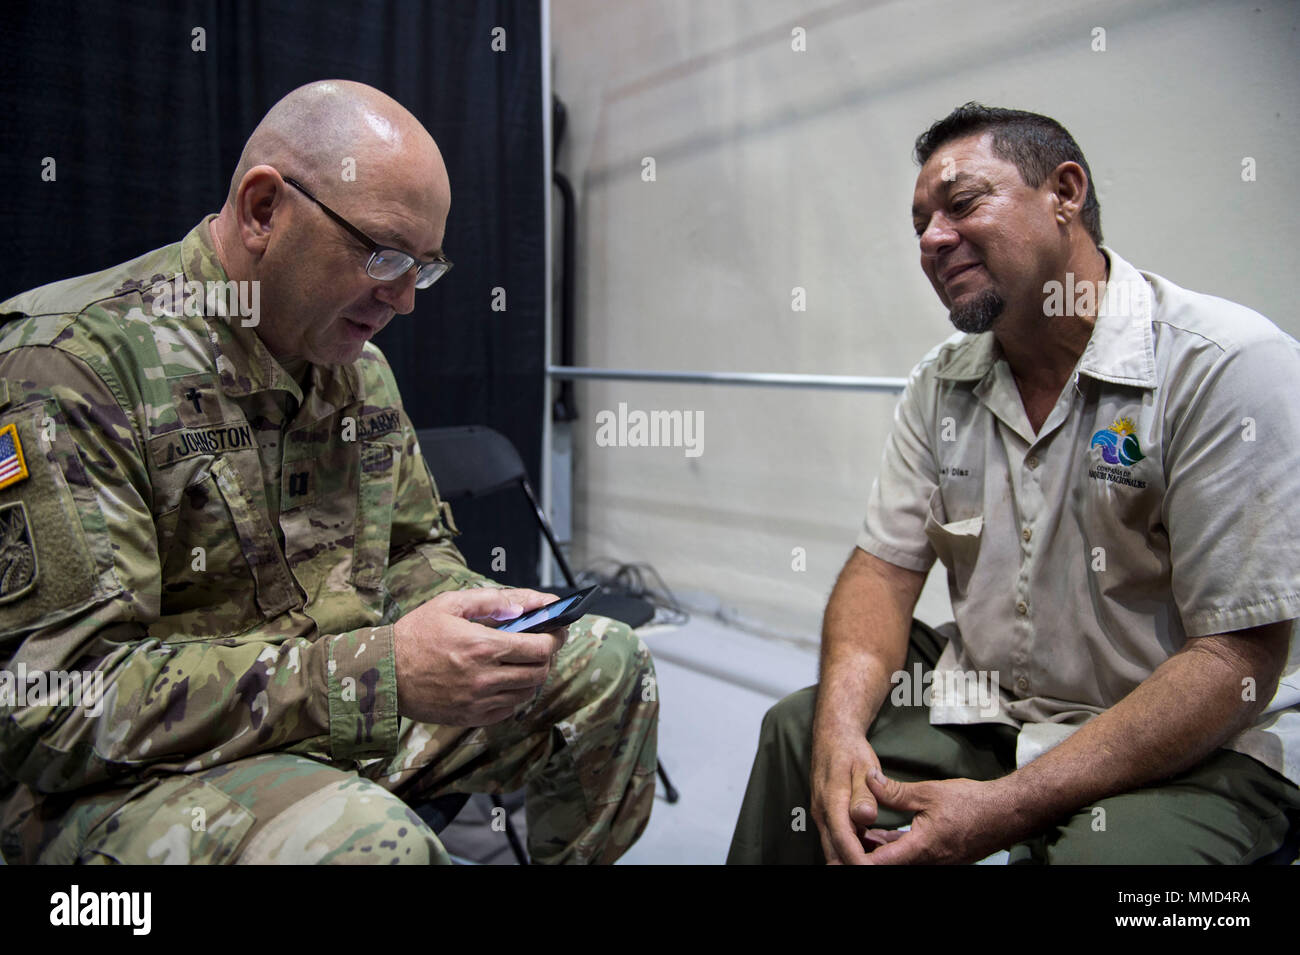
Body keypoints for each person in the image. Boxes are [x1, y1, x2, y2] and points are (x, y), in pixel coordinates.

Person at [0, 79, 657, 865]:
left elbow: (412, 550)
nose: (406, 299)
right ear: (263, 210)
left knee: (608, 666)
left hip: (336, 712)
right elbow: (58, 708)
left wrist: (472, 620)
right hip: (133, 778)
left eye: (424, 266)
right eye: (382, 254)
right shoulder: (71, 367)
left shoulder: (358, 371)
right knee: (372, 847)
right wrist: (376, 672)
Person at [728, 103, 1300, 865]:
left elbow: (1236, 660)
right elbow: (882, 572)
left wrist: (1004, 806)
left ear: (1065, 193)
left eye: (962, 203)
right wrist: (838, 736)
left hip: (1197, 747)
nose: (933, 239)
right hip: (994, 705)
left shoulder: (1224, 367)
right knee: (800, 732)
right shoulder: (943, 385)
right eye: (920, 223)